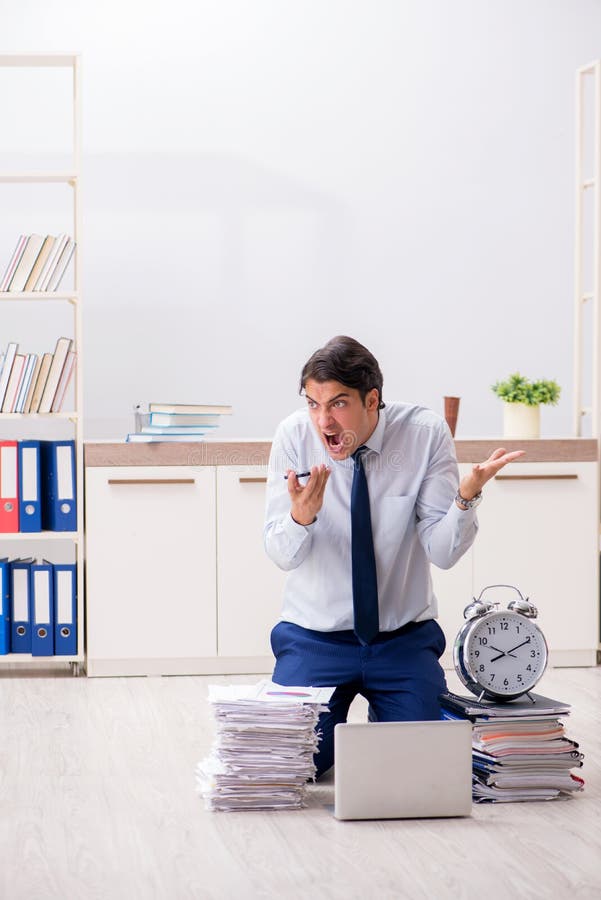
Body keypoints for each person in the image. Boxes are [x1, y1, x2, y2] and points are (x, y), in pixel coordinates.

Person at [264, 335, 524, 779]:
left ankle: (386, 725)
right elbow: (281, 555)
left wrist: (465, 499)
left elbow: (441, 552)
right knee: (295, 765)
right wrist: (300, 517)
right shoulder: (293, 436)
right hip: (314, 637)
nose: (323, 421)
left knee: (421, 764)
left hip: (401, 639)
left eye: (338, 404)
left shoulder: (423, 435)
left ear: (372, 400)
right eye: (313, 404)